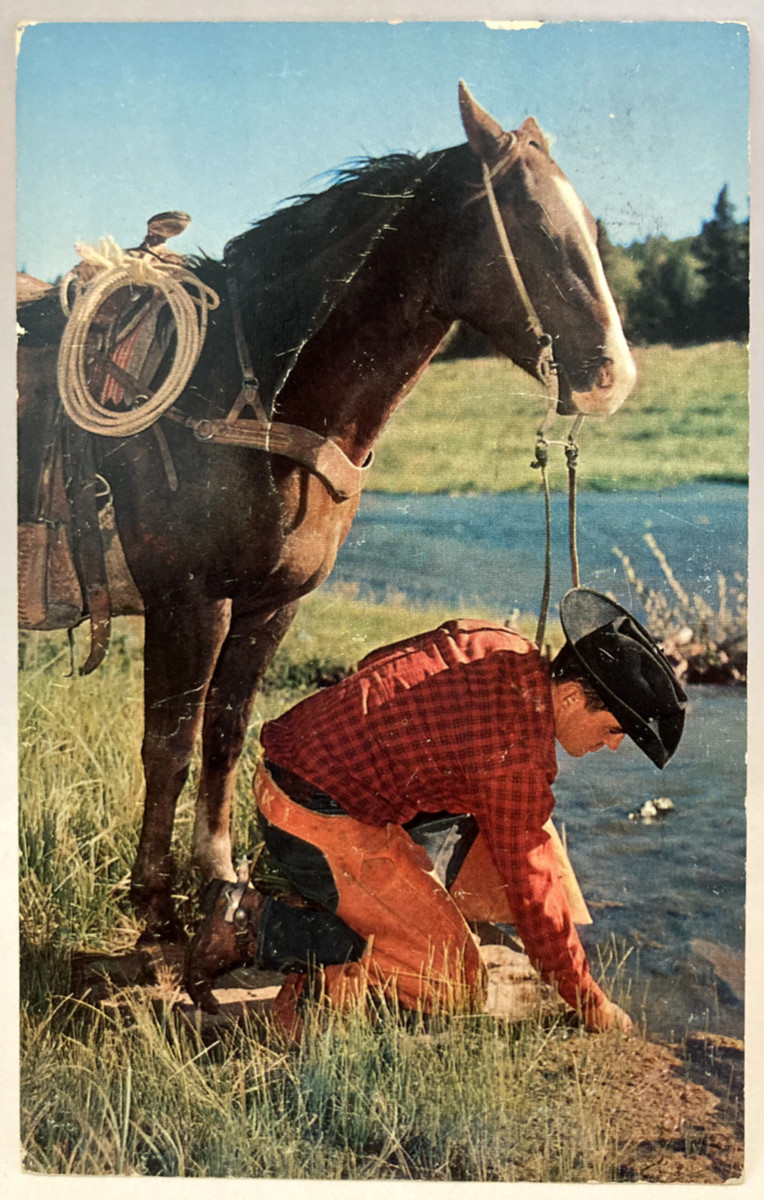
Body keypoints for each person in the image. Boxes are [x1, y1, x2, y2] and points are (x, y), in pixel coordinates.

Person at [186, 588, 686, 1039]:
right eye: (616, 729)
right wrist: (589, 1002)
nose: (615, 746)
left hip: (291, 765)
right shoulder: (515, 757)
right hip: (312, 815)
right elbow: (533, 893)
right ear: (573, 697)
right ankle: (255, 927)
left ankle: (331, 909)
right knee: (454, 980)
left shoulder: (501, 644)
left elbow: (376, 661)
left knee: (536, 843)